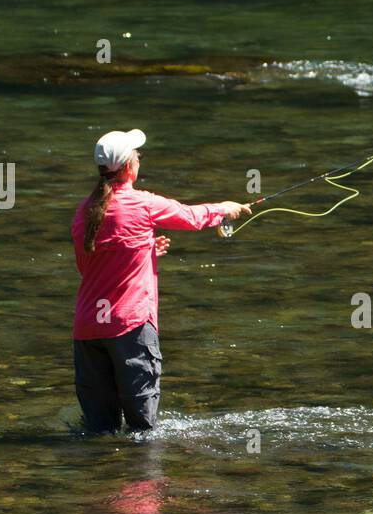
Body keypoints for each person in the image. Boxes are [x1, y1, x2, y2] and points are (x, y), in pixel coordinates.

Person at [72, 128, 252, 434]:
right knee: (144, 431)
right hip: (129, 327)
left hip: (88, 329)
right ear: (129, 168)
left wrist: (143, 250)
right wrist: (225, 209)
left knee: (98, 432)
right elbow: (190, 217)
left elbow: (90, 266)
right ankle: (141, 483)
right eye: (137, 155)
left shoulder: (84, 211)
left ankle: (97, 476)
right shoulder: (142, 204)